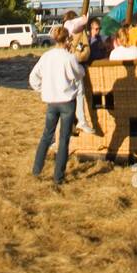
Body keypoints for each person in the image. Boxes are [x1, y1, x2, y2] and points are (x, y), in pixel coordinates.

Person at [29, 26, 84, 185]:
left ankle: (36, 170)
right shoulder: (69, 58)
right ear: (67, 39)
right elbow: (79, 74)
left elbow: (33, 76)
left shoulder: (46, 56)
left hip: (51, 101)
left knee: (47, 135)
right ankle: (58, 177)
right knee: (64, 139)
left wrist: (41, 89)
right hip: (67, 102)